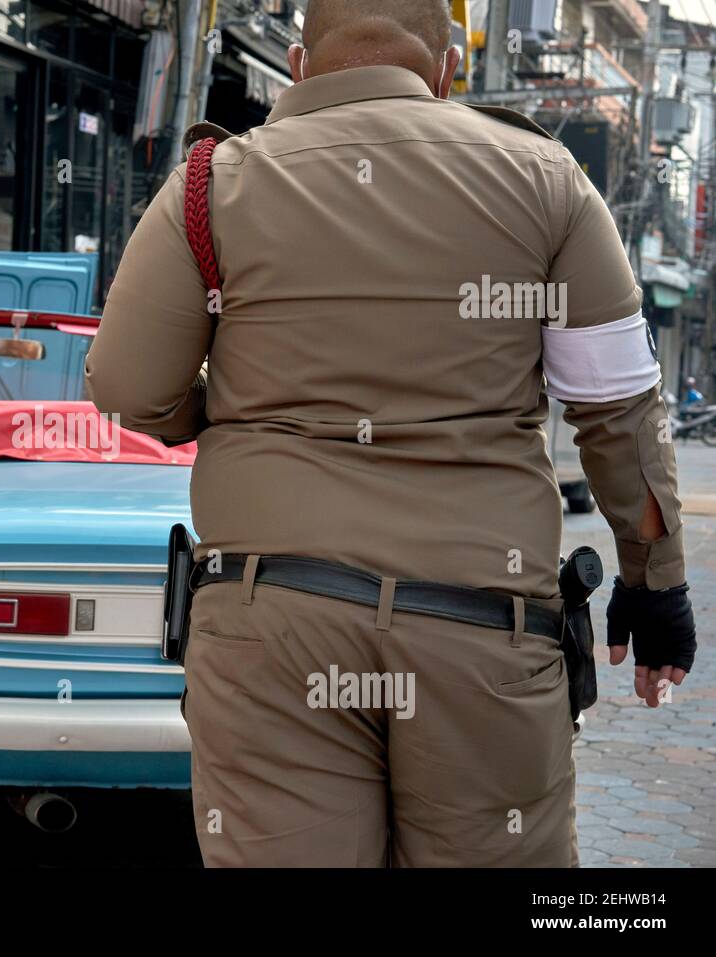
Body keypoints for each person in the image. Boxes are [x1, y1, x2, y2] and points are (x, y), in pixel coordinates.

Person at [86, 0, 696, 867]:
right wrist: (654, 585)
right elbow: (620, 414)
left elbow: (125, 388)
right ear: (447, 70)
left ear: (298, 65)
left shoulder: (209, 186)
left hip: (273, 629)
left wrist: (233, 409)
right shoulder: (549, 182)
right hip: (482, 630)